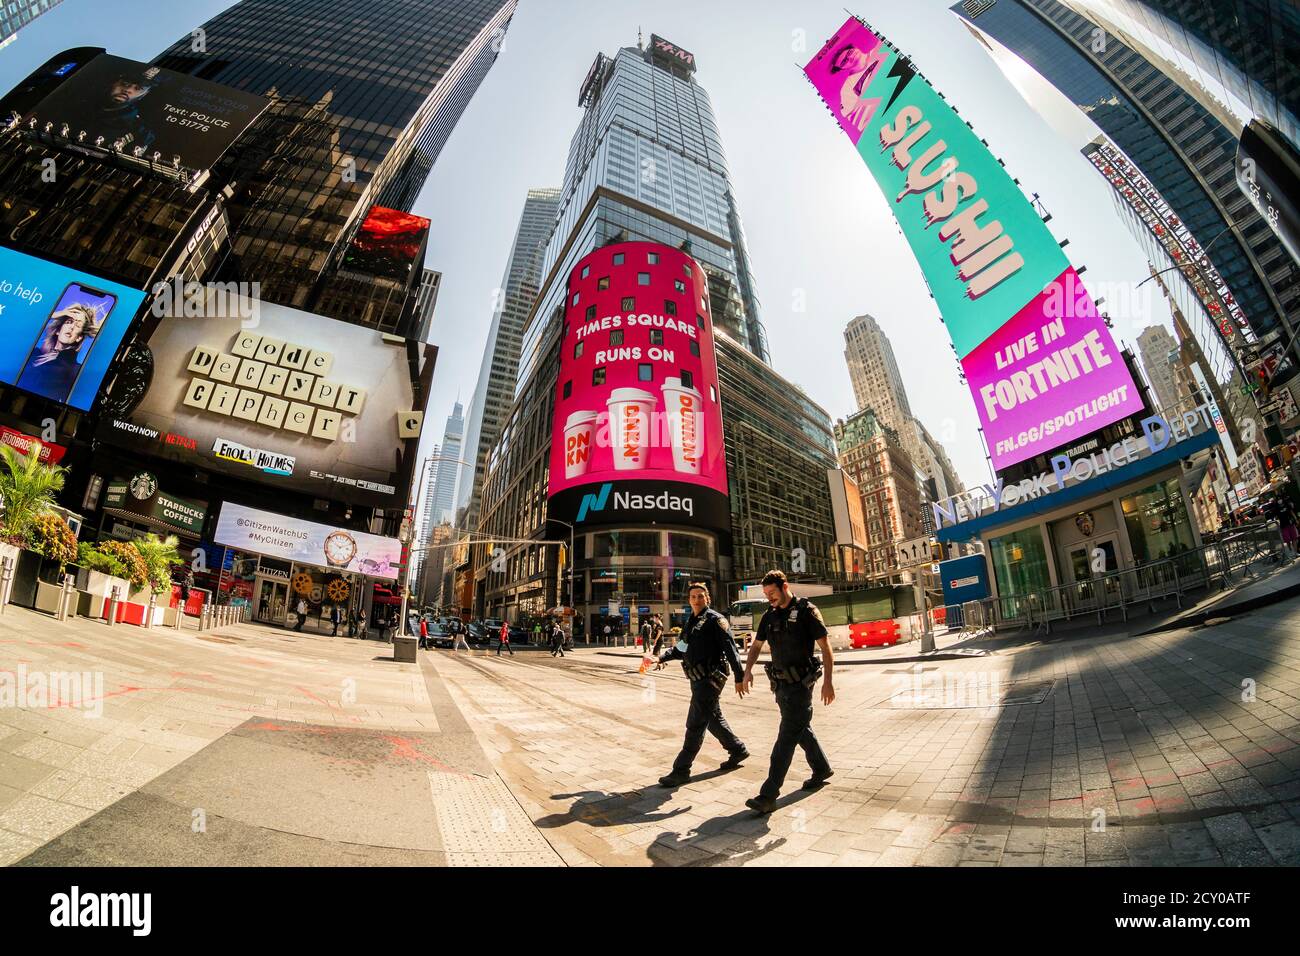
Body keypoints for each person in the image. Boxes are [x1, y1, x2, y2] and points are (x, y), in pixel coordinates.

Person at [740, 570, 835, 814]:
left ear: (784, 586)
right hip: (780, 686)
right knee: (800, 729)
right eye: (766, 594)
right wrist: (747, 670)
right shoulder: (769, 616)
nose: (769, 598)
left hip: (801, 686)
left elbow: (826, 648)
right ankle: (821, 768)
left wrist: (828, 682)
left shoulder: (807, 611)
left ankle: (768, 794)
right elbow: (756, 646)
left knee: (785, 739)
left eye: (772, 593)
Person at [654, 582, 749, 787]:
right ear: (689, 600)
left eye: (700, 596)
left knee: (695, 723)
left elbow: (731, 650)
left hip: (710, 679)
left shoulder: (716, 620)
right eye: (693, 597)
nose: (697, 599)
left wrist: (740, 677)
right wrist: (661, 658)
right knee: (713, 718)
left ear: (708, 598)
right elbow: (680, 649)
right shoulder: (690, 622)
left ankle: (681, 770)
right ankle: (738, 750)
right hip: (697, 680)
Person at [16, 304, 105, 403]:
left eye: (78, 325)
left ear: (79, 337)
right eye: (69, 322)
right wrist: (56, 314)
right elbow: (18, 321)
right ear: (58, 331)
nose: (72, 327)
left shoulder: (76, 370)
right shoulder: (33, 353)